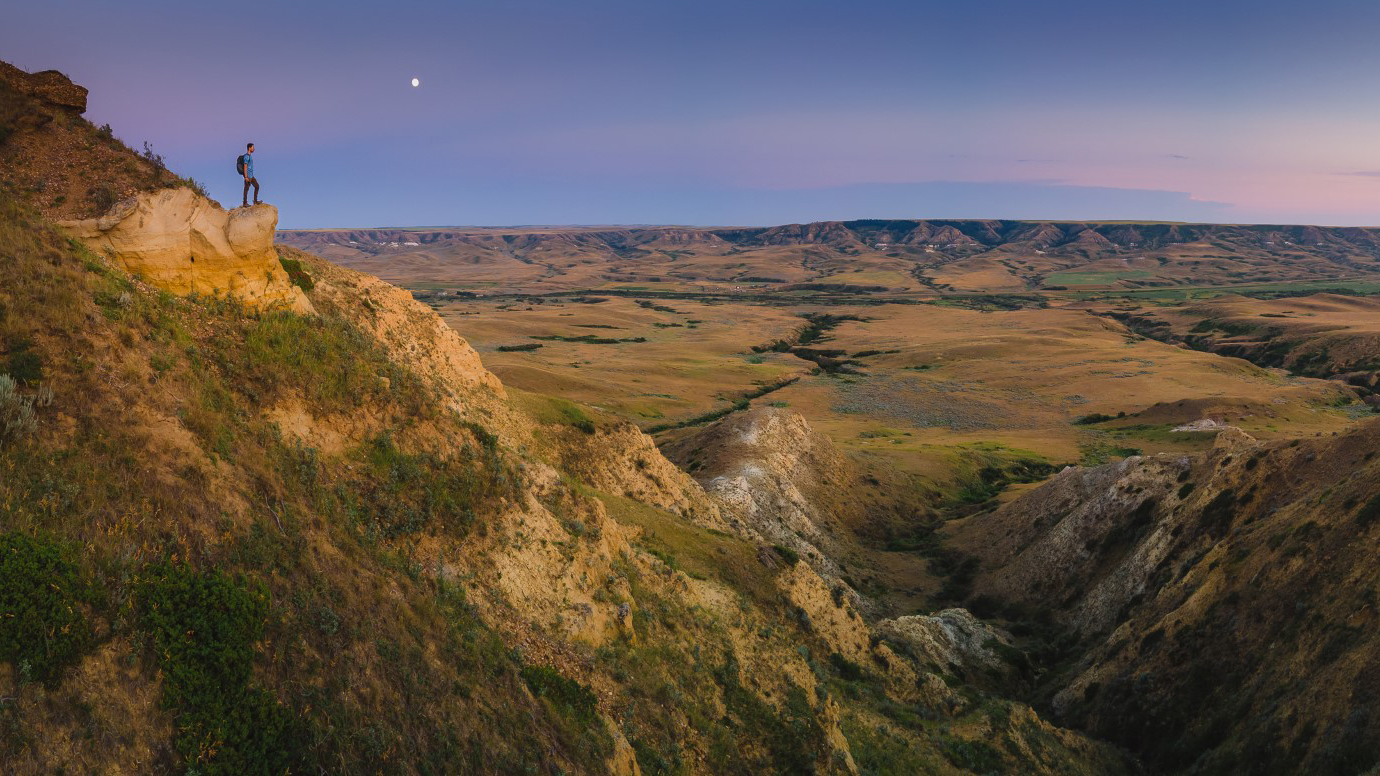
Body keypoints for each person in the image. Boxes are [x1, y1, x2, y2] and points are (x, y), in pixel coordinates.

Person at [242, 142, 260, 207]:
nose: (254, 149)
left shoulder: (250, 156)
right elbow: (245, 166)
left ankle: (255, 201)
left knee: (257, 186)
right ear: (249, 148)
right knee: (246, 189)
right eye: (253, 147)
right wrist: (246, 176)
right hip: (248, 176)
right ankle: (244, 203)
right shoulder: (246, 156)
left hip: (251, 176)